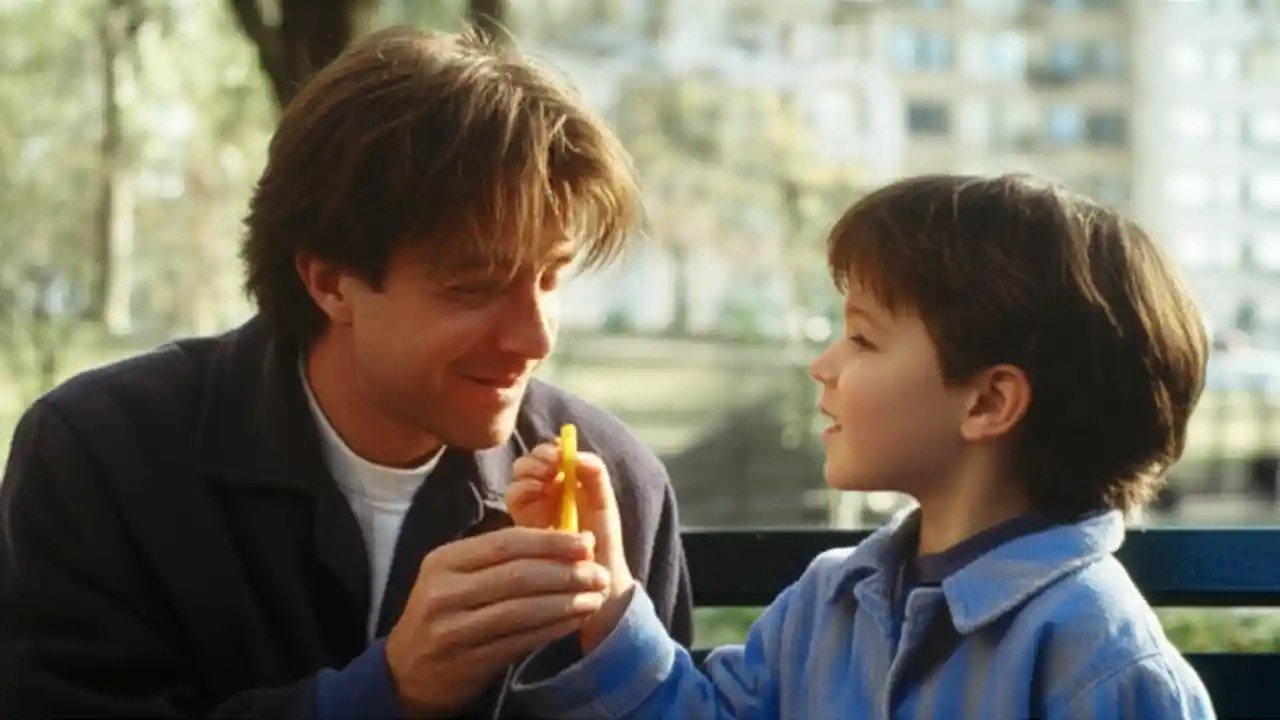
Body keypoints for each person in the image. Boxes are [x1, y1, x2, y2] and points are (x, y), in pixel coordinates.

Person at [0, 25, 692, 719]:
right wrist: (385, 694)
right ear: (330, 281)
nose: (534, 336)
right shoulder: (100, 458)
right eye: (474, 286)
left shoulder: (617, 489)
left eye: (550, 278)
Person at [503, 174, 1216, 719]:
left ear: (990, 401)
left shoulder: (1103, 660)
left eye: (865, 339)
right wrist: (606, 595)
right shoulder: (830, 599)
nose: (825, 365)